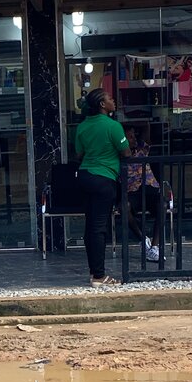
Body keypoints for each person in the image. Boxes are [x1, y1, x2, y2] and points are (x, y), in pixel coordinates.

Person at [74, 88, 130, 286]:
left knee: (90, 227)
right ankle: (99, 276)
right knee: (99, 228)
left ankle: (94, 271)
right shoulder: (112, 126)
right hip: (104, 177)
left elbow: (79, 155)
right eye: (109, 98)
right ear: (102, 105)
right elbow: (126, 152)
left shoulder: (82, 127)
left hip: (85, 176)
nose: (113, 100)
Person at [124, 125, 161, 263]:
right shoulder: (117, 156)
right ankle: (143, 238)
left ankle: (155, 246)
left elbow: (146, 127)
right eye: (130, 137)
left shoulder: (142, 150)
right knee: (123, 207)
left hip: (149, 188)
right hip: (132, 191)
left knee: (161, 203)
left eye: (134, 136)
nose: (134, 139)